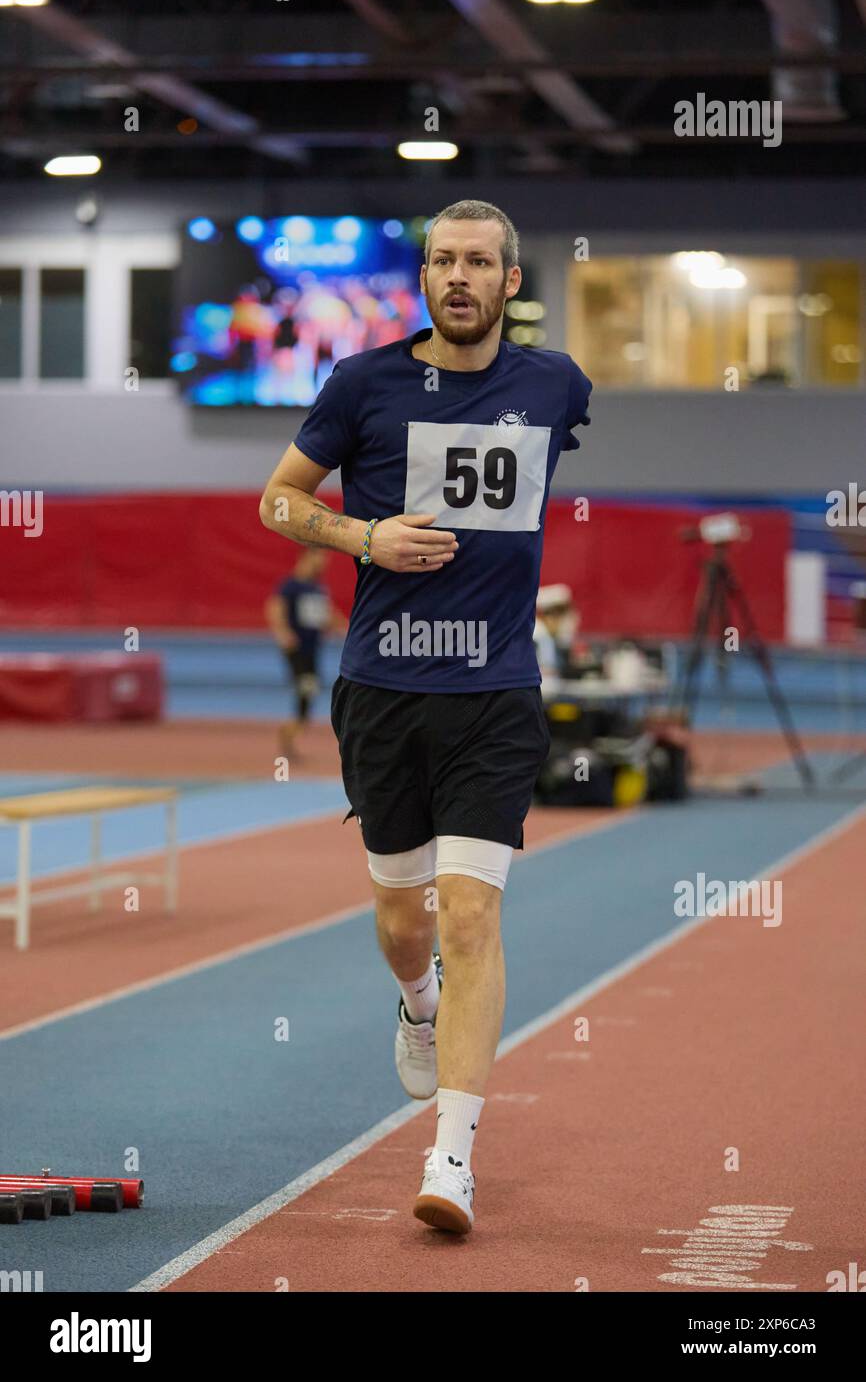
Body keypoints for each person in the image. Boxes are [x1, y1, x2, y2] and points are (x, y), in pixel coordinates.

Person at [260, 199, 592, 1234]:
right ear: (424, 277)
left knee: (471, 913)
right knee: (405, 922)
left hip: (494, 691)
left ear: (509, 281)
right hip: (384, 690)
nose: (458, 275)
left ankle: (450, 1159)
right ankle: (415, 1002)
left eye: (478, 262)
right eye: (442, 259)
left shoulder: (554, 385)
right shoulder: (362, 384)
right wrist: (364, 537)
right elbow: (275, 501)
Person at [264, 548, 346, 756]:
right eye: (319, 559)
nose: (323, 565)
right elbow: (274, 607)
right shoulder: (291, 586)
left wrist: (348, 629)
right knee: (306, 687)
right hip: (297, 649)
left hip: (313, 650)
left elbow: (327, 615)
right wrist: (282, 631)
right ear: (306, 558)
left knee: (310, 690)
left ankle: (294, 729)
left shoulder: (318, 588)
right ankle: (290, 730)